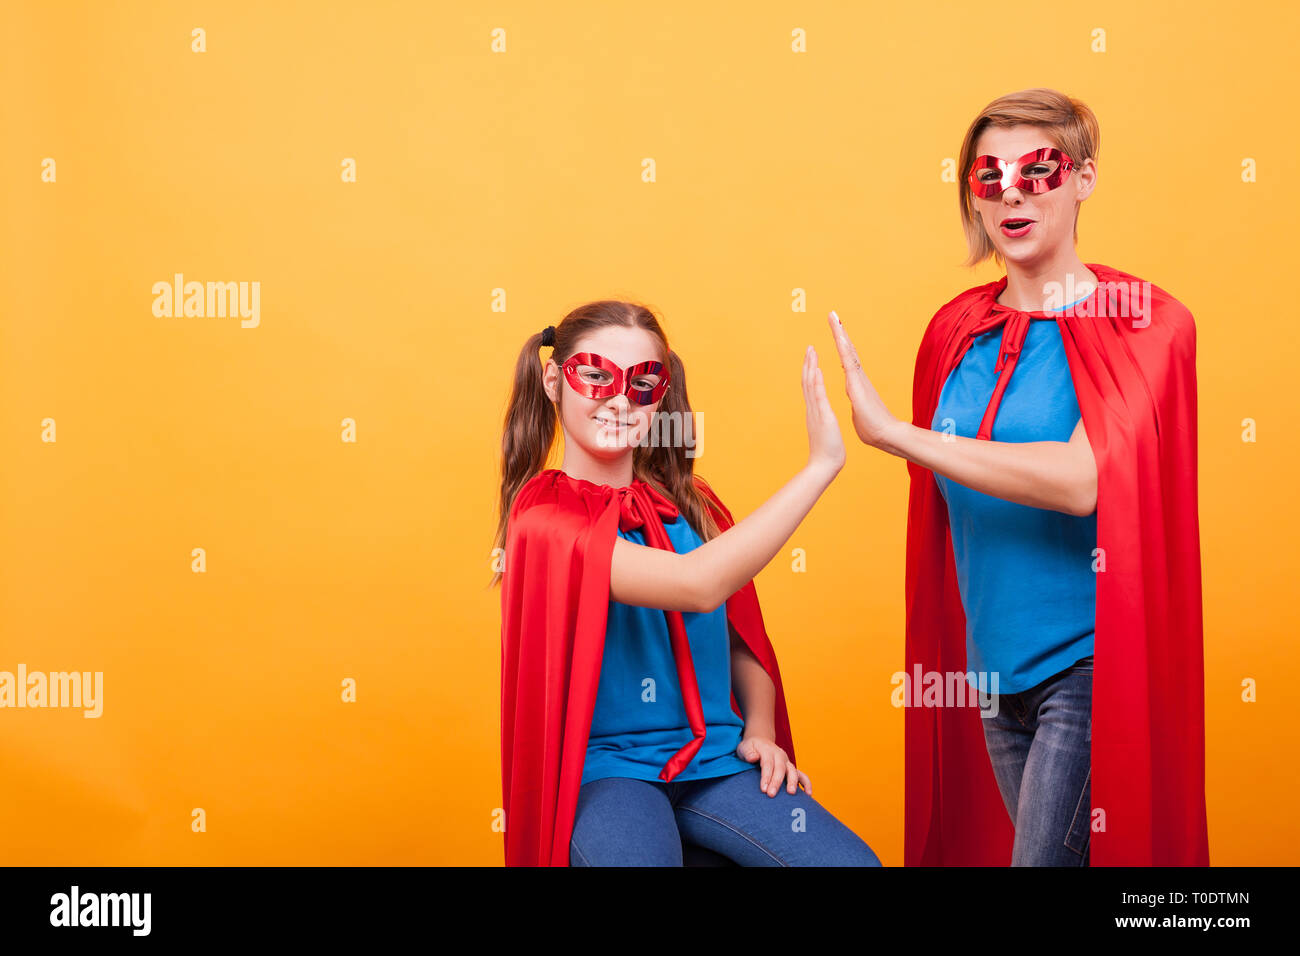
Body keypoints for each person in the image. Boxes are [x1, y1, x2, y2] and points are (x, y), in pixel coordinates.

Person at [826, 88, 1208, 865]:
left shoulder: (1146, 321)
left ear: (1085, 179)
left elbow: (1080, 480)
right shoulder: (955, 329)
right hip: (993, 678)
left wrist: (900, 436)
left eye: (1039, 170)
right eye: (988, 175)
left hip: (1090, 670)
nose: (1011, 192)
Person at [492, 299, 881, 866]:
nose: (619, 400)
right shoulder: (544, 515)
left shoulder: (693, 509)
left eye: (643, 384)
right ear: (554, 381)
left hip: (718, 761)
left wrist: (761, 732)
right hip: (607, 769)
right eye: (596, 376)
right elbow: (697, 584)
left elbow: (741, 646)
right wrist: (820, 466)